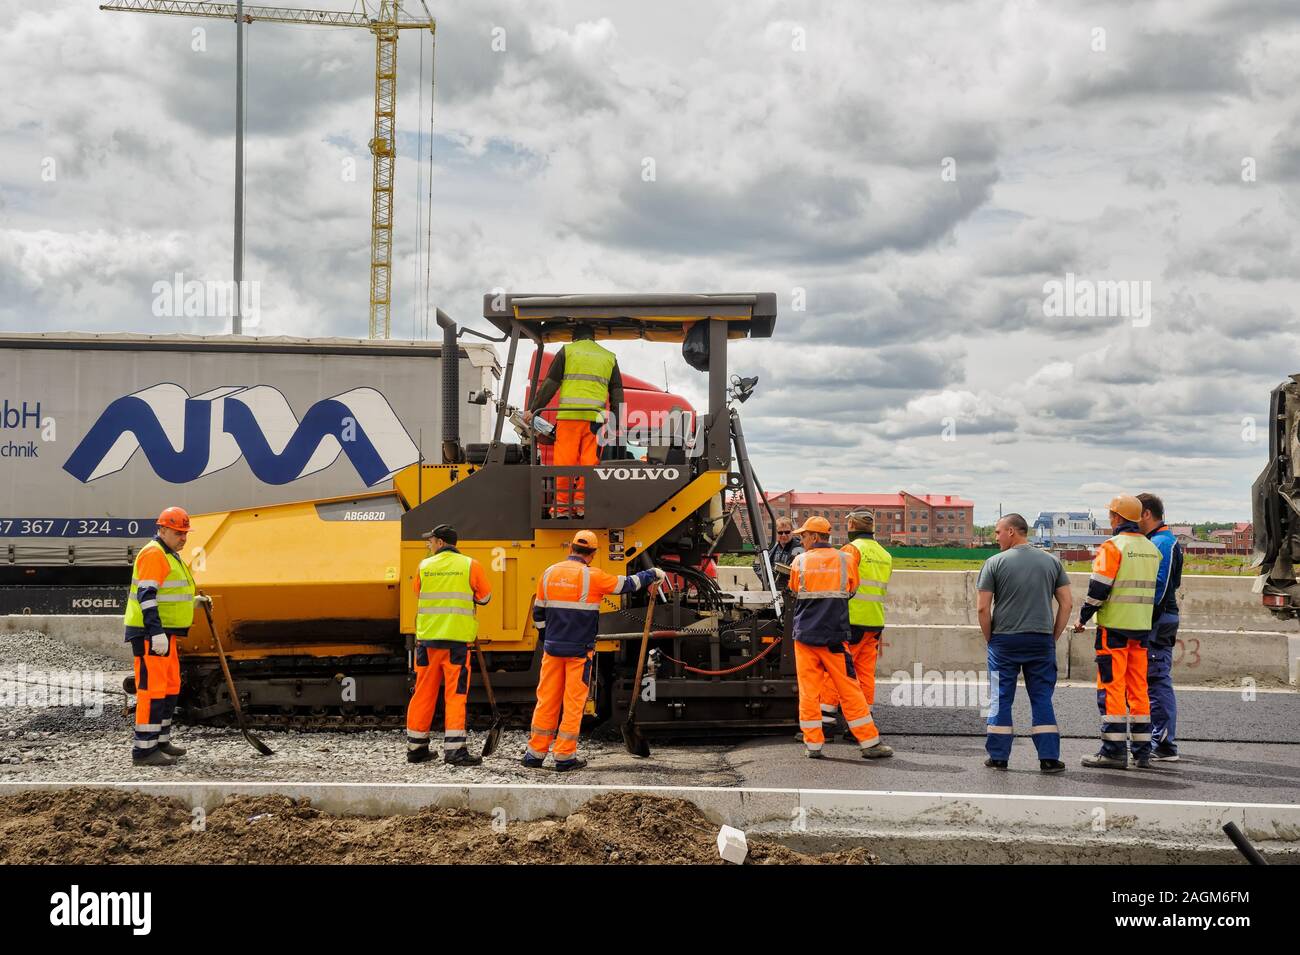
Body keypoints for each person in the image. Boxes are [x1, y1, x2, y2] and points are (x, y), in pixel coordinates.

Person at [525, 531, 664, 771]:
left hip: (552, 650)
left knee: (546, 699)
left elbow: (538, 613)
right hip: (578, 652)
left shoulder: (549, 573)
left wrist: (548, 638)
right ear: (592, 554)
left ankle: (534, 755)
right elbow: (626, 584)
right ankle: (564, 757)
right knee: (573, 702)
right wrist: (652, 574)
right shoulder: (593, 576)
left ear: (570, 548)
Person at [976, 513, 1072, 774]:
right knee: (1041, 697)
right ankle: (1049, 758)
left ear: (1011, 531)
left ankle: (998, 757)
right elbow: (1067, 604)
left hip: (1004, 641)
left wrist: (990, 638)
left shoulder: (994, 563)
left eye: (998, 532)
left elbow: (983, 608)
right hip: (1041, 640)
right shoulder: (1051, 562)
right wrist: (1052, 636)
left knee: (1001, 697)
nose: (996, 537)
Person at [1072, 495, 1162, 769]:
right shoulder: (1151, 549)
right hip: (1141, 629)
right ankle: (1142, 752)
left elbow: (1098, 589)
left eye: (1111, 514)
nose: (1110, 518)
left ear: (1117, 517)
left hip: (1113, 629)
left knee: (1112, 688)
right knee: (1139, 689)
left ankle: (1113, 751)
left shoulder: (1112, 547)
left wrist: (1083, 618)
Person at [788, 516, 889, 758]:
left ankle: (813, 745)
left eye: (804, 536)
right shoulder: (846, 560)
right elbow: (851, 589)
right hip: (834, 636)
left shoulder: (800, 561)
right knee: (849, 687)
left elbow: (793, 589)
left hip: (805, 636)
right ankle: (869, 743)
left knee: (809, 691)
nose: (801, 541)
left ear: (815, 536)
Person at [124, 507, 206, 766]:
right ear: (163, 530)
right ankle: (144, 751)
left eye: (185, 533)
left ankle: (160, 740)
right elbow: (146, 596)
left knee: (170, 687)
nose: (184, 538)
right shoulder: (154, 553)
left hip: (163, 634)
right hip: (150, 634)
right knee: (152, 690)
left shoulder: (169, 554)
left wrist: (194, 603)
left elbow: (169, 594)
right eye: (178, 533)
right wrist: (156, 631)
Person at [406, 524, 492, 766]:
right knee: (455, 695)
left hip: (427, 642)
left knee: (423, 693)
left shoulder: (424, 566)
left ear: (441, 542)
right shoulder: (470, 565)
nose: (428, 544)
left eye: (431, 541)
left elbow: (418, 593)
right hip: (456, 643)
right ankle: (454, 751)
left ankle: (416, 748)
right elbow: (485, 597)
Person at [526, 323, 626, 518]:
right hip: (595, 420)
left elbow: (550, 384)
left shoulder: (568, 351)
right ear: (593, 338)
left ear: (574, 338)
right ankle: (581, 507)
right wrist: (615, 421)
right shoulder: (608, 357)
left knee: (565, 463)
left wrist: (534, 409)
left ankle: (562, 509)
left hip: (569, 418)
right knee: (589, 464)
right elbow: (617, 393)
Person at [816, 511, 894, 754]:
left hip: (851, 621)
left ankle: (826, 726)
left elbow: (840, 583)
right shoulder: (885, 554)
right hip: (874, 622)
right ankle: (858, 727)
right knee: (864, 675)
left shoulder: (851, 550)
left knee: (835, 671)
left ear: (851, 525)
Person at [1137, 492, 1183, 762]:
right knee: (1151, 680)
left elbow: (1161, 587)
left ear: (1146, 514)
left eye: (1134, 514)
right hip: (1160, 618)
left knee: (1156, 681)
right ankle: (1157, 741)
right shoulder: (1158, 541)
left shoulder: (1162, 543)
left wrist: (1146, 621)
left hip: (1158, 620)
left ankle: (1164, 745)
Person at [753, 517, 803, 590]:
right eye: (780, 532)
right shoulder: (770, 548)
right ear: (776, 533)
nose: (783, 535)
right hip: (771, 591)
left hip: (790, 591)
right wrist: (768, 578)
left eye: (787, 532)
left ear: (792, 531)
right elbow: (756, 564)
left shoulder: (801, 549)